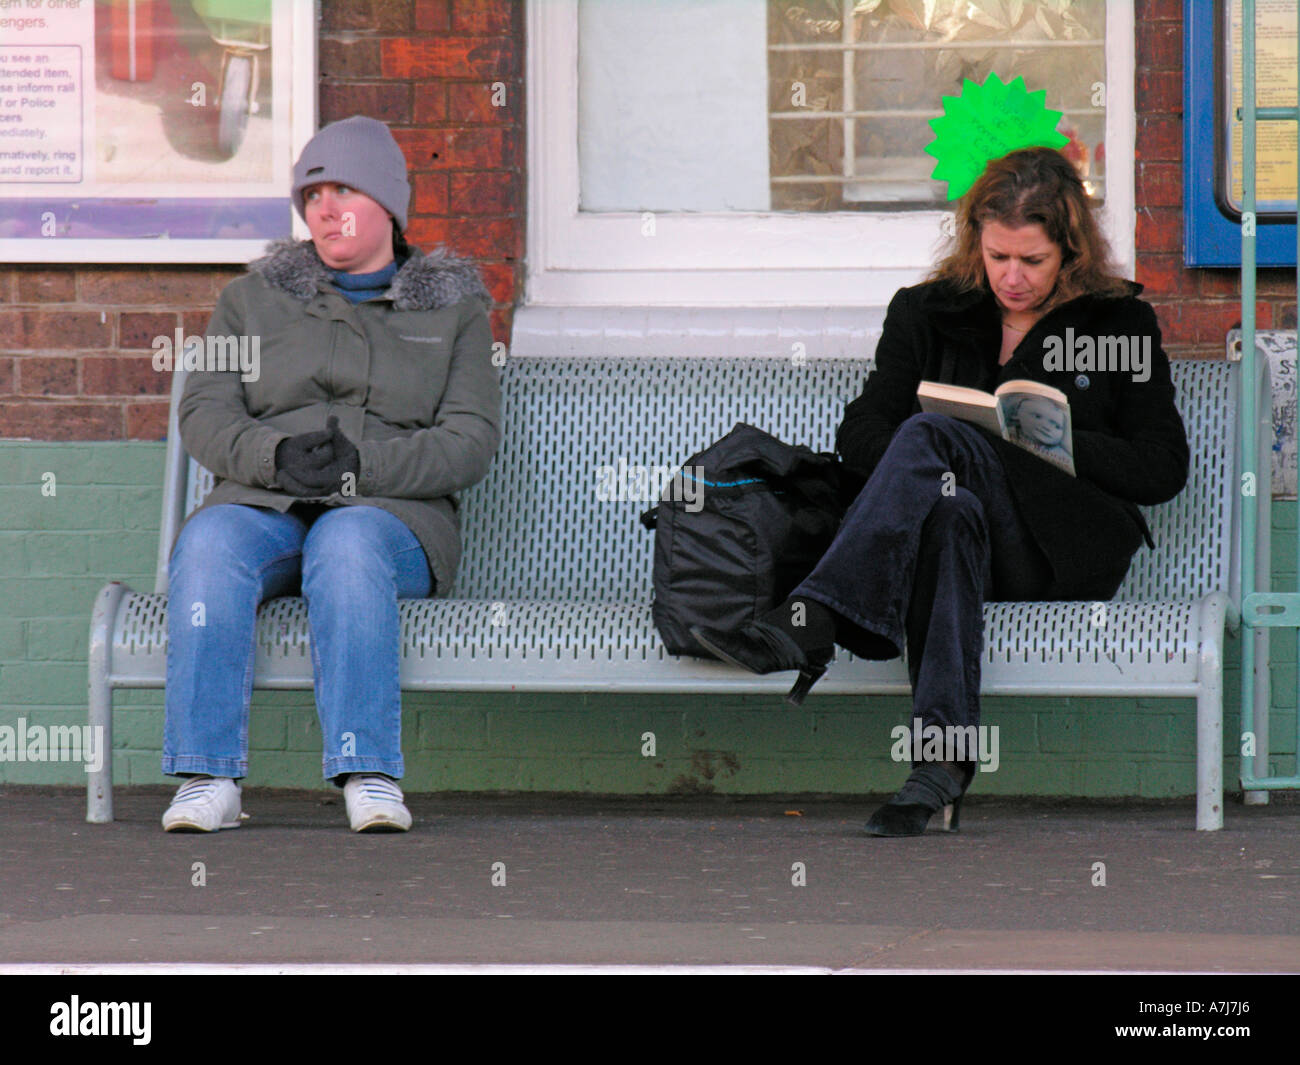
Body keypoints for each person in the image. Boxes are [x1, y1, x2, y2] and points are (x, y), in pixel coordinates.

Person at [690, 146, 1189, 836]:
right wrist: (947, 440)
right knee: (948, 503)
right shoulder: (927, 312)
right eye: (998, 257)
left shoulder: (1117, 325)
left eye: (1033, 261)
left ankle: (817, 615)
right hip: (951, 538)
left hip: (1060, 550)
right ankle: (939, 767)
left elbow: (1163, 468)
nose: (1012, 277)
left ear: (1070, 253)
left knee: (938, 438)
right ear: (975, 242)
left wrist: (1048, 441)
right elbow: (861, 432)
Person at [159, 115, 501, 833]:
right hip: (265, 501)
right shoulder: (249, 302)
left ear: (388, 205)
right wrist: (272, 457)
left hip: (393, 516)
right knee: (211, 542)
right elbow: (205, 410)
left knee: (344, 546)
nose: (325, 208)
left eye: (344, 189)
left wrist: (366, 466)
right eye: (312, 194)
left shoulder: (455, 311)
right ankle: (207, 776)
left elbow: (469, 442)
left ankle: (368, 773)